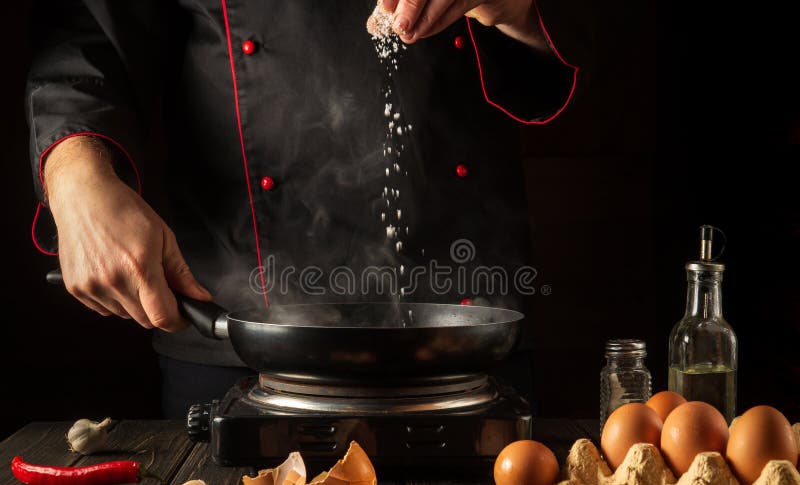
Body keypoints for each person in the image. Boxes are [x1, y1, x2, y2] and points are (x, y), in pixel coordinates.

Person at [27, 0, 576, 418]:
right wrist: (77, 179)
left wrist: (516, 7)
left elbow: (576, 33)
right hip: (240, 343)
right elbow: (84, 33)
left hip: (467, 338)